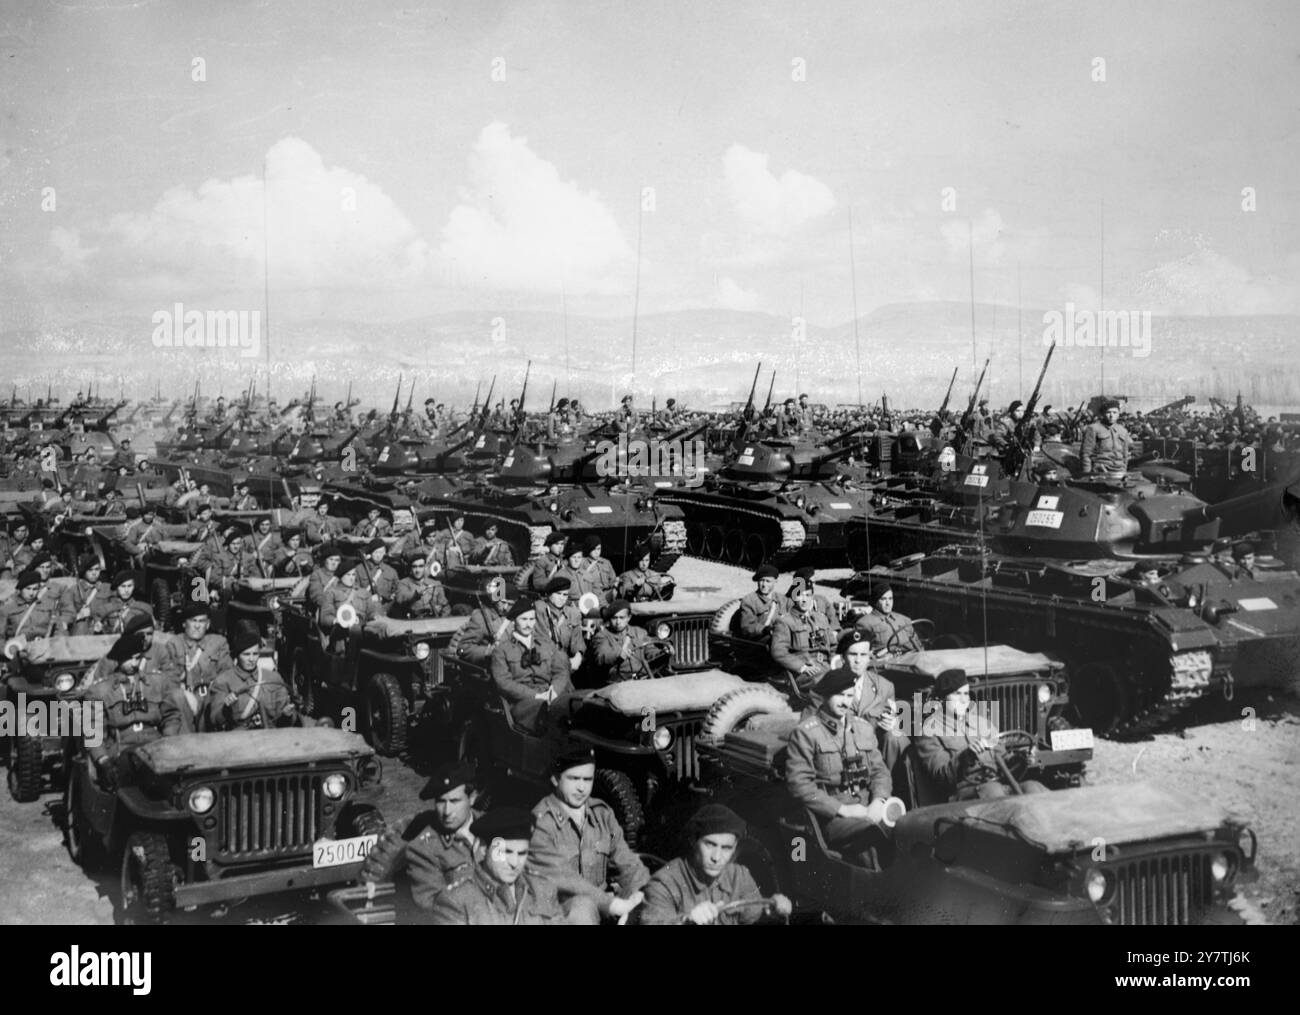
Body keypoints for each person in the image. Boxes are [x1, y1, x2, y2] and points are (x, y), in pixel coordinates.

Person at [784, 666, 894, 867]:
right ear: (825, 696)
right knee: (872, 835)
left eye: (850, 695)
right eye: (839, 695)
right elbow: (801, 786)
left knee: (909, 829)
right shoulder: (806, 733)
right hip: (834, 818)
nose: (845, 701)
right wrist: (842, 809)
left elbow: (880, 772)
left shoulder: (863, 728)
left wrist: (878, 801)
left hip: (872, 807)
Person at [527, 747, 648, 924]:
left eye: (587, 779)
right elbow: (565, 880)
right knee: (582, 907)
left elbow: (628, 863)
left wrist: (640, 893)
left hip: (600, 910)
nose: (581, 787)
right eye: (574, 779)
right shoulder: (541, 822)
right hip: (558, 913)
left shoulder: (602, 815)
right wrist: (612, 904)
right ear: (555, 779)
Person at [638, 804, 792, 925]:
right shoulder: (664, 884)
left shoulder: (739, 876)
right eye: (710, 845)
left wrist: (773, 908)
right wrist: (687, 920)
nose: (717, 857)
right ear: (693, 841)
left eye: (726, 848)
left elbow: (755, 916)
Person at [911, 668, 1047, 801]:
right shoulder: (929, 731)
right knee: (994, 793)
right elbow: (943, 777)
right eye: (957, 694)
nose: (964, 700)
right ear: (942, 699)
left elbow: (1004, 758)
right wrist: (966, 756)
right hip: (963, 794)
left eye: (966, 694)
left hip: (998, 785)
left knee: (1034, 788)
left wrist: (1021, 758)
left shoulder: (982, 723)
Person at [427, 808, 569, 925]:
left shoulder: (542, 890)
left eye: (522, 853)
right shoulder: (456, 901)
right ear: (483, 848)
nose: (514, 863)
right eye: (505, 852)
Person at [81, 631, 186, 788]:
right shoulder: (99, 691)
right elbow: (93, 734)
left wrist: (168, 740)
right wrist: (103, 760)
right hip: (120, 749)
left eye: (138, 658)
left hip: (155, 745)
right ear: (119, 659)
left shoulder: (157, 682)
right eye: (129, 659)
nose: (134, 663)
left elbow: (171, 716)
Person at [404, 762, 483, 912]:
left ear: (472, 798)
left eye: (454, 801)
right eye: (441, 802)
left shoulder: (495, 832)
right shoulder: (423, 849)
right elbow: (434, 907)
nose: (447, 811)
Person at [490, 599, 572, 733]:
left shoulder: (545, 644)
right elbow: (504, 683)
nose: (528, 624)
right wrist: (536, 696)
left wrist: (554, 691)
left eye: (531, 619)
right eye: (524, 619)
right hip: (523, 703)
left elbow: (561, 671)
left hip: (552, 696)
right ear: (514, 621)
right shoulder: (502, 650)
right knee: (549, 714)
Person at [206, 629, 305, 730]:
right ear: (237, 655)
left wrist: (287, 714)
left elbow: (286, 722)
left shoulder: (273, 678)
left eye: (255, 654)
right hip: (239, 738)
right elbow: (214, 721)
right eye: (246, 654)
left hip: (271, 736)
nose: (251, 659)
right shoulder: (223, 681)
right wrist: (225, 708)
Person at [836, 629, 907, 771]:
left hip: (872, 748)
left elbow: (891, 716)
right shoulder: (827, 685)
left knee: (896, 737)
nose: (858, 660)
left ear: (869, 657)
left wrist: (894, 724)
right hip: (839, 749)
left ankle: (891, 785)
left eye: (863, 655)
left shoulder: (885, 686)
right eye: (853, 654)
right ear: (843, 658)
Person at [158, 602, 233, 729]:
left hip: (210, 698)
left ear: (208, 624)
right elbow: (169, 679)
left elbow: (227, 673)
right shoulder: (174, 644)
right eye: (193, 621)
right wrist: (186, 694)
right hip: (186, 700)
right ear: (184, 624)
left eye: (202, 621)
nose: (197, 626)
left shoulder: (218, 643)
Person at [770, 576, 836, 692]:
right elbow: (778, 652)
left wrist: (835, 662)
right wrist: (802, 667)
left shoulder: (821, 619)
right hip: (804, 672)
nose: (804, 600)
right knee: (827, 681)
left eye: (808, 595)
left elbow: (834, 646)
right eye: (800, 595)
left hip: (826, 666)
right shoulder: (785, 621)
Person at [448, 575, 510, 666]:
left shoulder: (516, 615)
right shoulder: (481, 618)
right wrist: (488, 651)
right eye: (501, 601)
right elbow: (463, 649)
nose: (506, 606)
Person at [589, 599, 656, 683]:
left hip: (643, 679)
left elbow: (650, 650)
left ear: (628, 618)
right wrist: (619, 654)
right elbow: (602, 656)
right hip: (617, 683)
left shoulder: (639, 632)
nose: (618, 622)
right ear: (609, 619)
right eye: (614, 618)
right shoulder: (602, 636)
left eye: (621, 618)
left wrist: (662, 652)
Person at [317, 558, 377, 651]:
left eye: (353, 574)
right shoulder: (332, 593)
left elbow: (372, 613)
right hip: (341, 635)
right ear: (341, 576)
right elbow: (325, 618)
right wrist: (337, 621)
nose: (351, 577)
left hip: (362, 632)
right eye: (348, 575)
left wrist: (375, 619)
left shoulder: (364, 593)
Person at [853, 581, 922, 656]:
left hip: (910, 658)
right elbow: (861, 653)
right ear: (876, 601)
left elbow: (919, 646)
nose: (888, 603)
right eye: (883, 599)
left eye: (890, 599)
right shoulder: (864, 623)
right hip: (885, 663)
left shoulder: (904, 620)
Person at [533, 576, 585, 672]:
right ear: (549, 594)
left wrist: (578, 656)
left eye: (565, 595)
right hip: (542, 664)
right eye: (558, 594)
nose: (562, 598)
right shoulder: (540, 610)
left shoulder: (572, 614)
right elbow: (541, 640)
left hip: (564, 665)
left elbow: (577, 641)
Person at [56, 554, 110, 636]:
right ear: (84, 571)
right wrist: (78, 616)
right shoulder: (74, 590)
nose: (94, 573)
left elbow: (113, 609)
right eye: (90, 570)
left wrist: (101, 623)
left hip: (101, 633)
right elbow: (65, 614)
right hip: (80, 634)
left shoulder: (106, 588)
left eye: (97, 569)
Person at [90, 570, 153, 635]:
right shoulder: (105, 609)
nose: (126, 590)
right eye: (123, 586)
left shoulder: (143, 608)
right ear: (117, 588)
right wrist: (99, 630)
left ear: (134, 587)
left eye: (129, 586)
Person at [391, 550, 451, 618]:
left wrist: (442, 620)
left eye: (421, 566)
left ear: (425, 567)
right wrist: (416, 594)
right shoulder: (403, 583)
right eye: (414, 566)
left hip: (434, 622)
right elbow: (401, 599)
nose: (417, 570)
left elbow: (445, 607)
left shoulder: (435, 584)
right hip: (413, 622)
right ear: (410, 568)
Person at [1, 569, 58, 640]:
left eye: (35, 589)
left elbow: (58, 629)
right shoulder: (7, 608)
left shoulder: (49, 604)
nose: (31, 593)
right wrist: (7, 650)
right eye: (28, 589)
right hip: (18, 648)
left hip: (44, 646)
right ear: (20, 589)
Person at [1080, 400, 1133, 475]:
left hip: (1119, 471)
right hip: (1100, 470)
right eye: (1108, 412)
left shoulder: (1123, 431)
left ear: (1118, 414)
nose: (1111, 415)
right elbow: (1086, 454)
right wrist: (1087, 474)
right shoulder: (1093, 428)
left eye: (1114, 412)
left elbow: (1125, 455)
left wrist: (1124, 470)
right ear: (1103, 414)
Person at [735, 564, 781, 641]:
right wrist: (765, 629)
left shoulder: (779, 598)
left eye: (768, 581)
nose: (764, 585)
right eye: (761, 580)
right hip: (757, 640)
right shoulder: (749, 600)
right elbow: (747, 627)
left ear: (775, 581)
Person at [518, 529, 567, 597]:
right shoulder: (543, 561)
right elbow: (538, 584)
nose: (560, 547)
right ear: (549, 545)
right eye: (556, 544)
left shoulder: (565, 561)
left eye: (562, 544)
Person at [356, 538, 399, 608]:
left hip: (385, 610)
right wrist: (368, 598)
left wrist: (390, 596)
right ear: (370, 553)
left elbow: (397, 590)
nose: (378, 555)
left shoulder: (391, 571)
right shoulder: (359, 569)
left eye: (381, 552)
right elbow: (354, 590)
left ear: (385, 552)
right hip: (365, 607)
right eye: (376, 552)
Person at [578, 535, 617, 603]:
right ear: (589, 549)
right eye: (594, 549)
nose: (597, 552)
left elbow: (613, 580)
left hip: (607, 595)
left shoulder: (606, 562)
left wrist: (616, 583)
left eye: (599, 549)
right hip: (592, 596)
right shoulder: (582, 563)